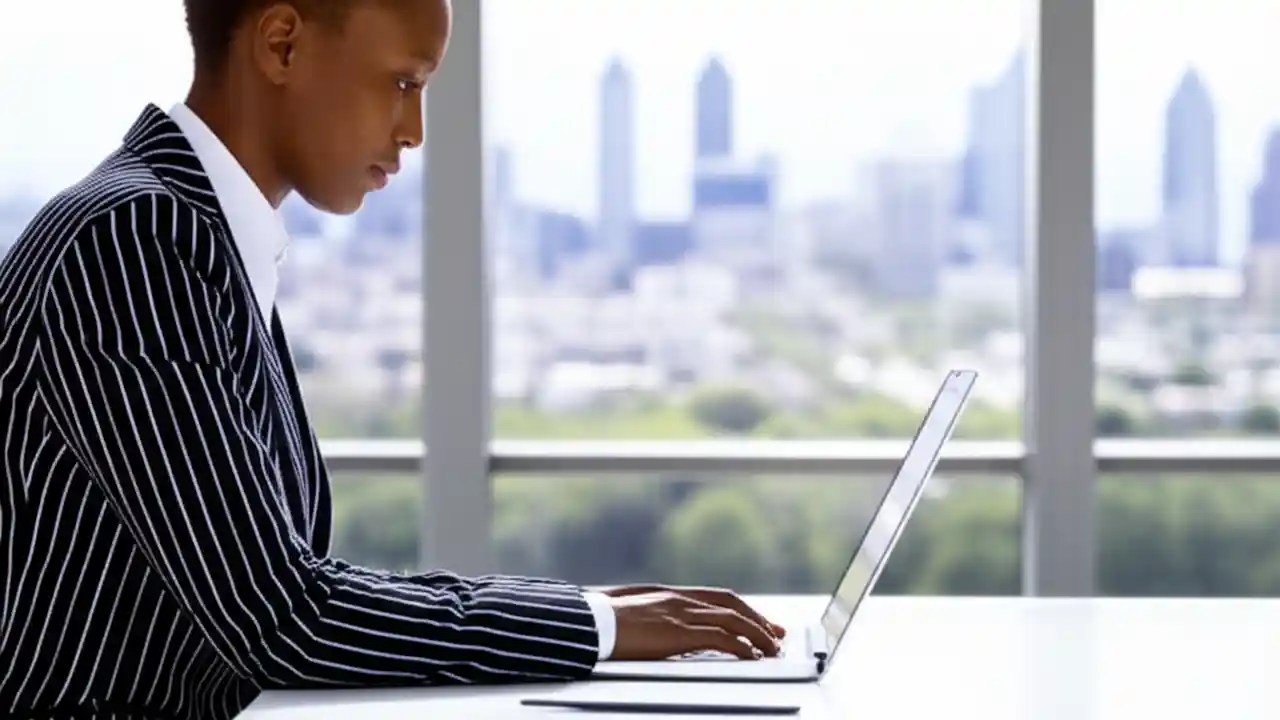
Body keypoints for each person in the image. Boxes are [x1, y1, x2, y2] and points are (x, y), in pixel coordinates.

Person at [0, 1, 786, 718]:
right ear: (282, 45)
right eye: (403, 83)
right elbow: (282, 617)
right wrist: (594, 624)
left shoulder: (195, 238)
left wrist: (584, 613)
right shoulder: (133, 245)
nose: (414, 131)